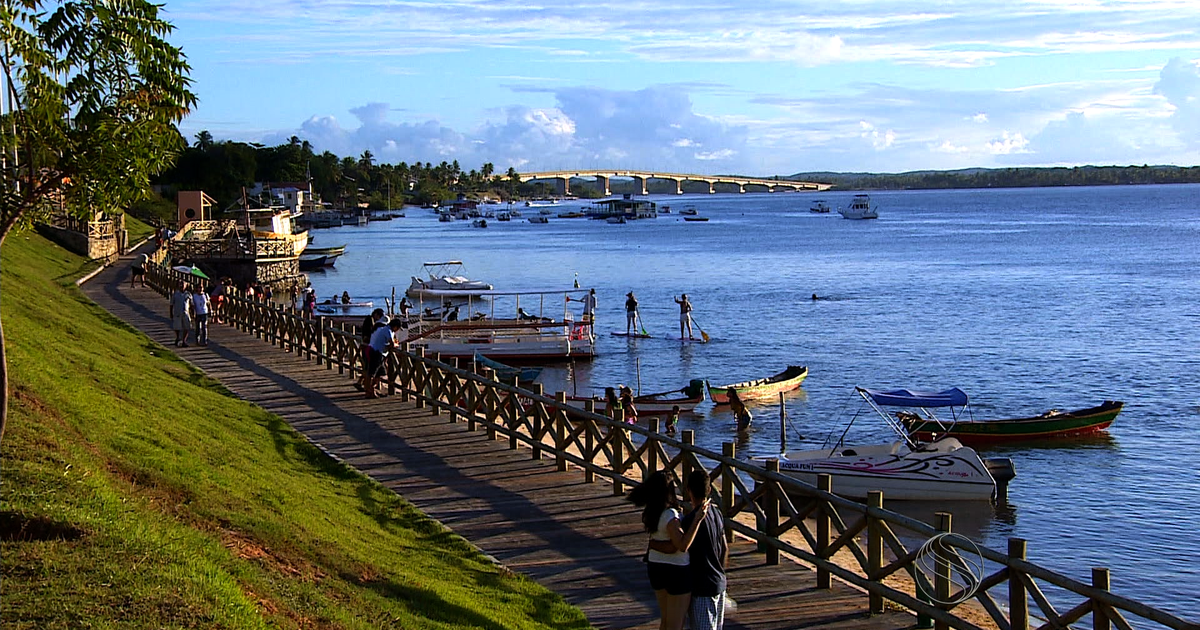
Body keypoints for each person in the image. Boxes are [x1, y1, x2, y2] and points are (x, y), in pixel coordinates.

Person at [627, 471, 710, 630]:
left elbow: (663, 543)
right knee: (675, 625)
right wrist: (698, 519)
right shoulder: (670, 515)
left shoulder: (652, 513)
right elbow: (682, 545)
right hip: (676, 571)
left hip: (656, 567)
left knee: (665, 620)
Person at [650, 471, 728, 630]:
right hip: (719, 583)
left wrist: (653, 545)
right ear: (709, 490)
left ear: (688, 490)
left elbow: (677, 546)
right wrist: (721, 572)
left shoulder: (690, 521)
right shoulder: (717, 513)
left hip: (702, 587)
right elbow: (725, 548)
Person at [364, 318, 404, 398]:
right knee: (372, 373)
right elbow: (393, 344)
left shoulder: (386, 330)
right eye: (398, 328)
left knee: (381, 373)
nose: (397, 331)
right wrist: (396, 344)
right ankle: (369, 392)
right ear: (395, 326)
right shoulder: (387, 330)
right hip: (376, 353)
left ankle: (373, 390)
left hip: (380, 353)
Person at [357, 308, 387, 392]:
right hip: (369, 348)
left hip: (368, 347)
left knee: (369, 369)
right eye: (379, 316)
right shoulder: (370, 321)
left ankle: (367, 386)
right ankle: (369, 389)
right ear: (376, 314)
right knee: (370, 369)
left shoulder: (374, 323)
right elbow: (367, 335)